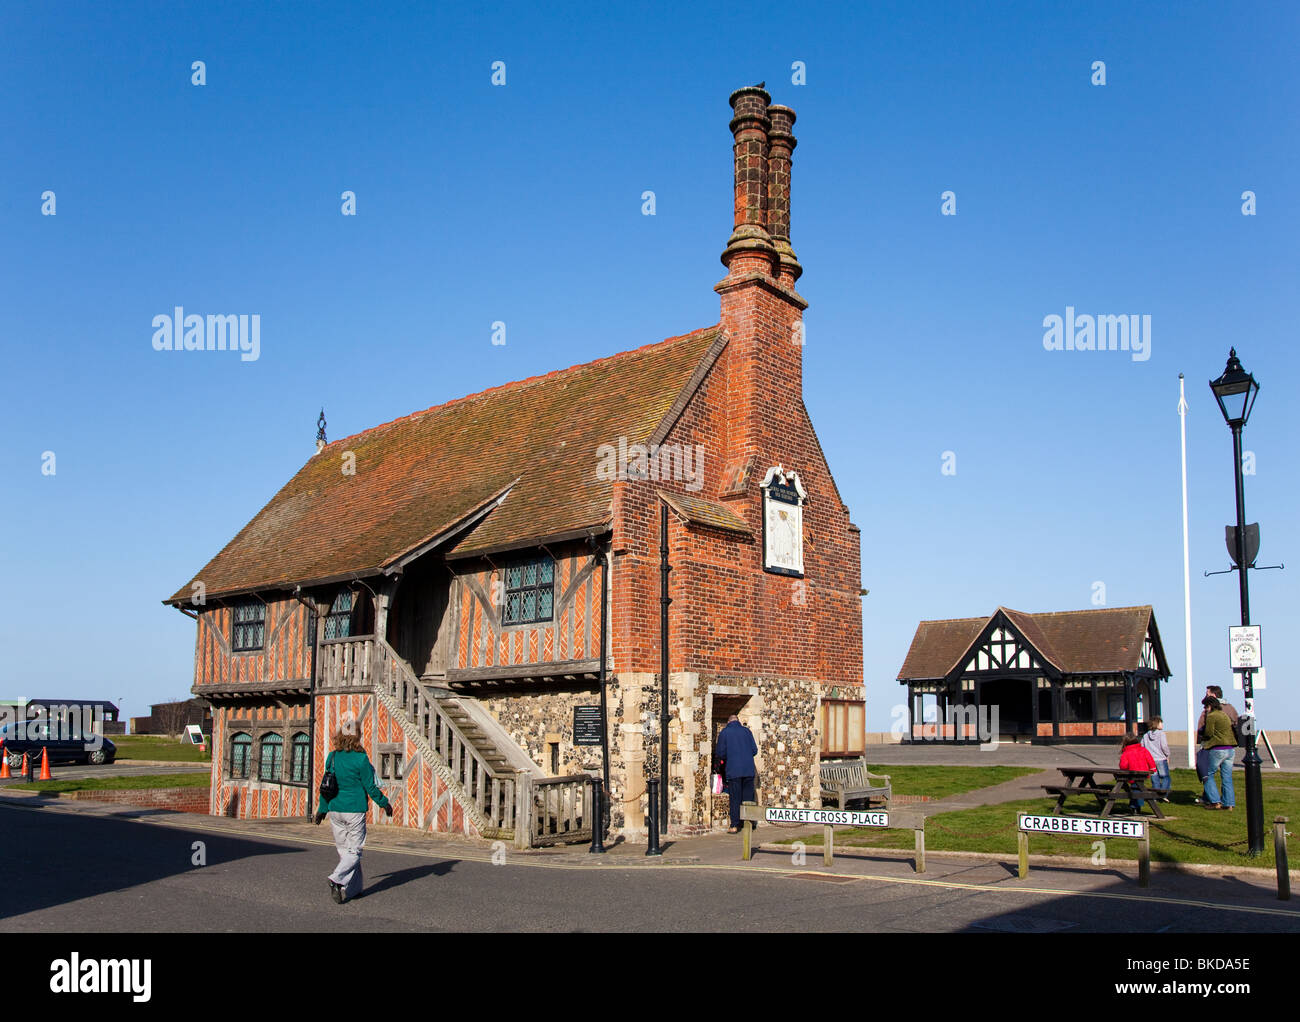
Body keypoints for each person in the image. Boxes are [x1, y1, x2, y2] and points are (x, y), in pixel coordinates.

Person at [313, 717, 393, 902]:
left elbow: (326, 786)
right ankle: (336, 879)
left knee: (345, 850)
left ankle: (354, 889)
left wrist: (322, 810)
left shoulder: (332, 757)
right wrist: (384, 803)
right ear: (358, 736)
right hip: (354, 810)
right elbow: (370, 786)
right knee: (354, 851)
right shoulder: (361, 758)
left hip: (335, 810)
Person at [714, 714, 759, 834]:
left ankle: (734, 825)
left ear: (729, 722)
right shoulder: (747, 732)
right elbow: (754, 750)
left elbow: (720, 753)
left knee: (735, 798)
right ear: (738, 721)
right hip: (749, 770)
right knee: (748, 797)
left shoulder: (725, 732)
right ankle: (749, 823)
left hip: (734, 770)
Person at [1195, 685, 1239, 784]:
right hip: (1229, 745)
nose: (1205, 696)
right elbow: (1236, 723)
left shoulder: (1212, 712)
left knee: (1207, 773)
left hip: (1215, 745)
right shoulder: (1230, 708)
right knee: (1227, 777)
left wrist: (1202, 737)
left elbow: (1208, 730)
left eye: (1207, 694)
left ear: (1213, 695)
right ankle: (1228, 800)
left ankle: (1212, 798)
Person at [1199, 696, 1236, 811]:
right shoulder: (1224, 715)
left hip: (1218, 749)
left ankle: (1215, 802)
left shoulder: (1212, 716)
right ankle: (1229, 803)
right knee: (1227, 778)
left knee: (1207, 774)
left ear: (1209, 706)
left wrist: (1202, 735)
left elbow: (1209, 733)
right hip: (1230, 749)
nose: (1205, 709)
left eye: (1205, 706)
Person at [1118, 732, 1156, 812]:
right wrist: (1152, 769)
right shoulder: (1143, 750)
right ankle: (1136, 806)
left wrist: (1124, 772)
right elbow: (1150, 760)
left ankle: (1135, 806)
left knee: (1136, 789)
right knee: (1138, 788)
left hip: (1131, 774)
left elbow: (1123, 765)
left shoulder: (1126, 753)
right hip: (1143, 773)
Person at [1140, 717, 1171, 802]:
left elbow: (1142, 747)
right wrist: (1167, 755)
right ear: (1157, 724)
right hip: (1161, 758)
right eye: (1161, 723)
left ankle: (1155, 795)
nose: (1162, 724)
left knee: (1154, 778)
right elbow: (1164, 746)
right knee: (1165, 777)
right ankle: (1163, 794)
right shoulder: (1161, 734)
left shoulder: (1146, 735)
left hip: (1150, 760)